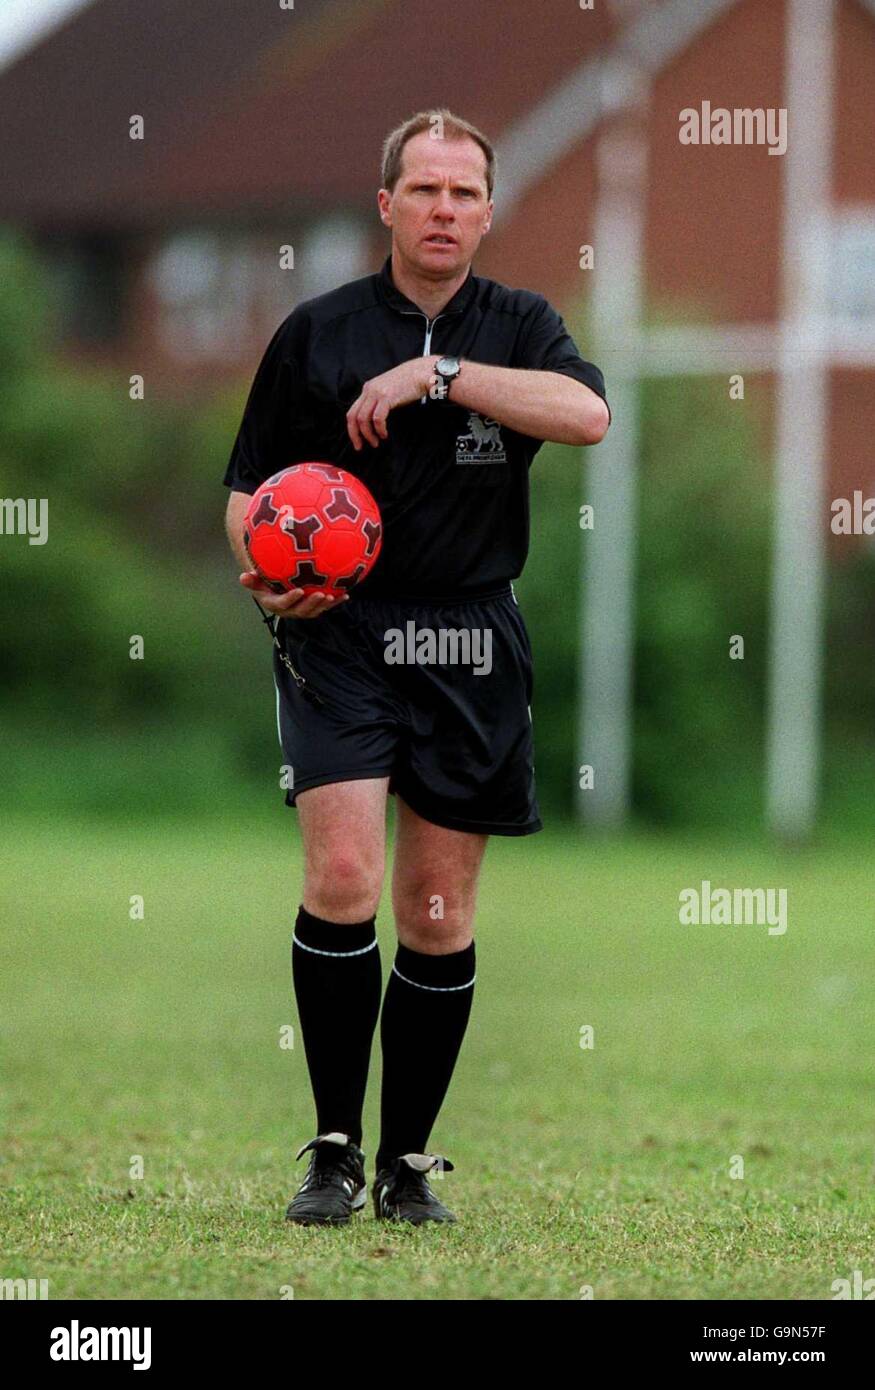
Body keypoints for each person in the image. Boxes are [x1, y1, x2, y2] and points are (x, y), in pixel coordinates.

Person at [223, 108, 610, 1226]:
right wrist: (263, 571)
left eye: (462, 193)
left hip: (468, 639)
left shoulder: (520, 325)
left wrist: (437, 374)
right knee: (343, 878)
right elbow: (251, 492)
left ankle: (405, 1164)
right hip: (339, 635)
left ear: (488, 211)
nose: (442, 209)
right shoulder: (315, 333)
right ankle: (333, 1150)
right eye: (422, 189)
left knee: (435, 906)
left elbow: (585, 415)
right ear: (385, 203)